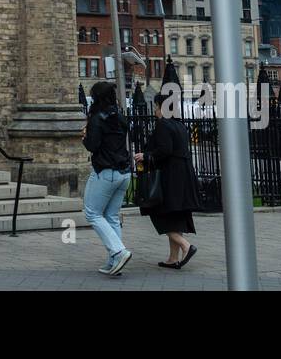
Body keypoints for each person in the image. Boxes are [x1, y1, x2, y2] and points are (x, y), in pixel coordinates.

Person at [134, 88, 201, 269]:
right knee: (174, 215)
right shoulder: (179, 125)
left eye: (156, 106)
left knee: (160, 214)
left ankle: (185, 246)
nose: (155, 110)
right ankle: (173, 258)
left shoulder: (164, 124)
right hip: (183, 176)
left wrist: (145, 156)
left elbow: (165, 150)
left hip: (170, 177)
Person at [81, 81, 132, 276]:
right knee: (110, 216)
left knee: (92, 213)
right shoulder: (119, 116)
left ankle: (118, 252)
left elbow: (93, 145)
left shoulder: (97, 118)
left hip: (107, 172)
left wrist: (85, 137)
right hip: (124, 172)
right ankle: (114, 261)